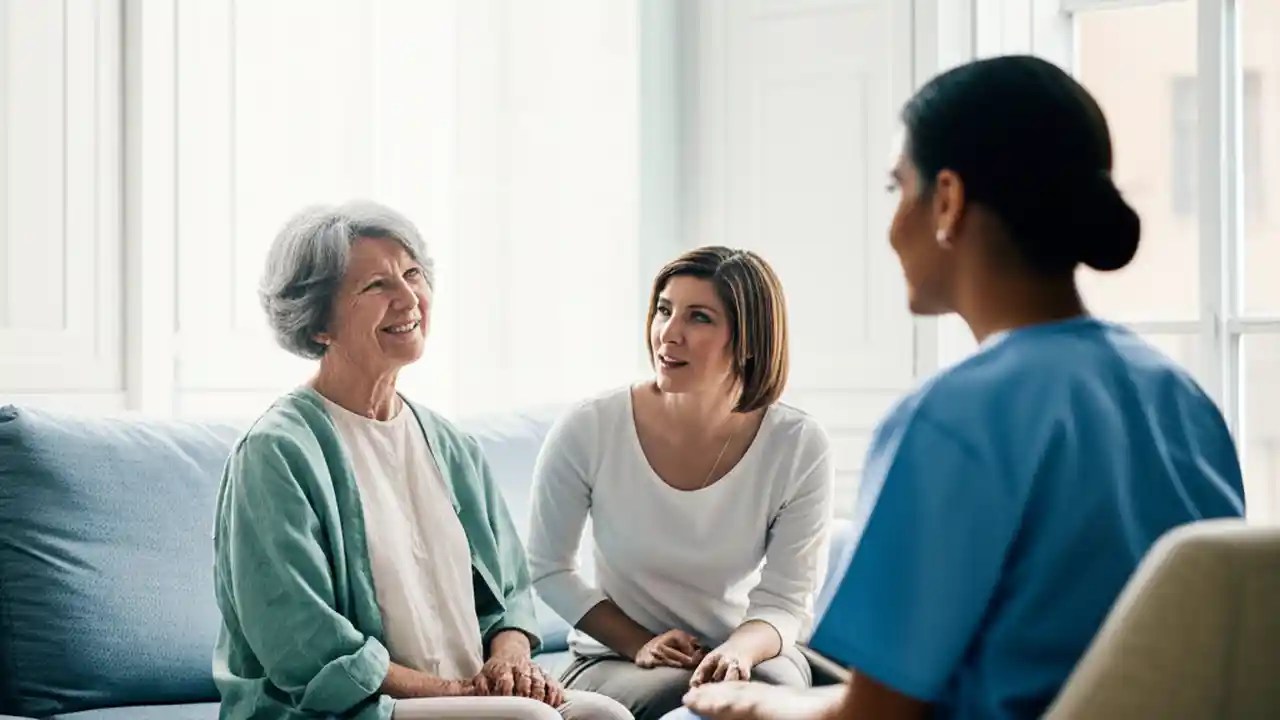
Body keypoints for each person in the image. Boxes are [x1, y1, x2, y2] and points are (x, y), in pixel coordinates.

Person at [677, 55, 1246, 720]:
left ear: (947, 200)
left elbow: (875, 716)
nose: (892, 226)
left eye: (898, 189)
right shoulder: (1182, 398)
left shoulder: (954, 415)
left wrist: (748, 702)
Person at [212, 201, 631, 720]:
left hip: (467, 698)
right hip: (352, 710)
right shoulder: (276, 454)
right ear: (319, 323)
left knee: (605, 716)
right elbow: (306, 649)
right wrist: (466, 695)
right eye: (376, 287)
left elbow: (510, 595)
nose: (409, 298)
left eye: (413, 275)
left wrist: (510, 663)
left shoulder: (450, 444)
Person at [527, 247, 836, 720]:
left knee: (767, 697)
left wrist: (737, 652)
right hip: (615, 656)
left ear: (750, 339)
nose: (669, 334)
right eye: (664, 310)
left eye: (699, 318)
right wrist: (640, 643)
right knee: (682, 696)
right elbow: (548, 568)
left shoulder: (798, 444)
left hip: (751, 649)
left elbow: (786, 600)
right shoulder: (589, 427)